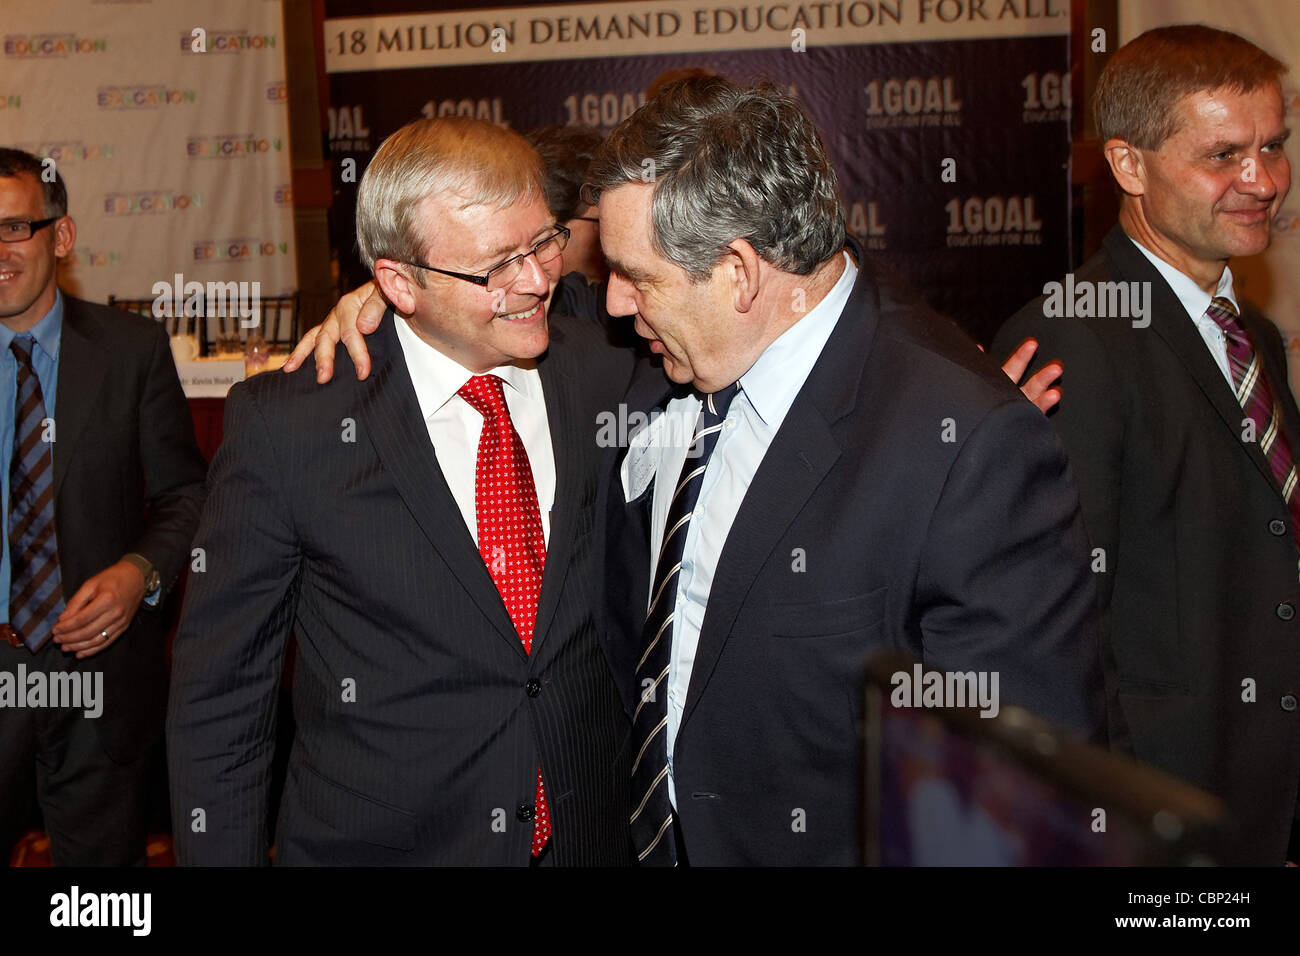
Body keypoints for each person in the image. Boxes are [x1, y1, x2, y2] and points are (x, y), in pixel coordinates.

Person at [291, 79, 1107, 866]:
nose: (610, 304)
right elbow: (501, 316)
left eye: (636, 279)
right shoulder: (656, 362)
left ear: (743, 272)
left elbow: (1010, 811)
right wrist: (395, 299)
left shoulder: (963, 449)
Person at [166, 117, 634, 866]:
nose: (537, 280)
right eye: (498, 266)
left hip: (590, 839)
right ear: (397, 282)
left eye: (543, 242)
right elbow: (221, 700)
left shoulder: (611, 369)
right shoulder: (291, 428)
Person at [995, 25, 1300, 866]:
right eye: (1224, 155)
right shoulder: (1072, 336)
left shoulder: (1254, 337)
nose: (1263, 180)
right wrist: (1122, 829)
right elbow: (1055, 627)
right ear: (1129, 167)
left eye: (1273, 146)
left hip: (1255, 802)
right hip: (1155, 822)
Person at [0, 148, 206, 865]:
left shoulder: (131, 350)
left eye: (12, 229)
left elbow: (184, 494)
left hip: (99, 674)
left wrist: (138, 573)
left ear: (61, 236)